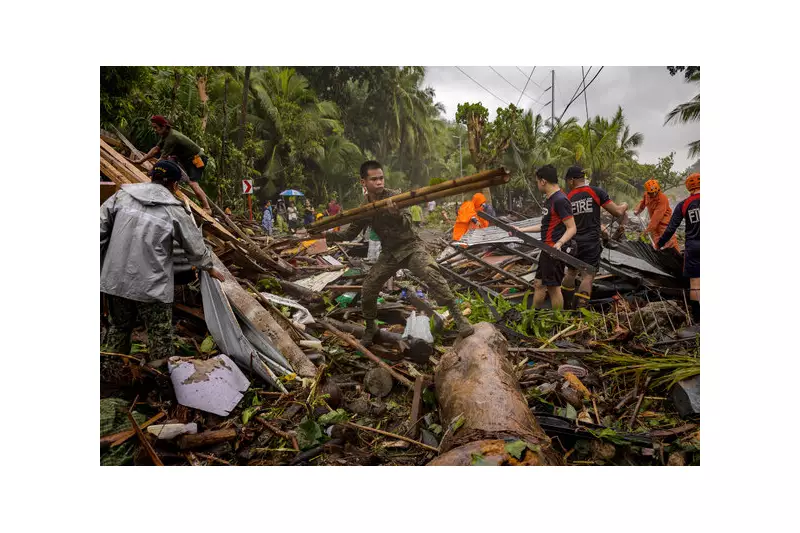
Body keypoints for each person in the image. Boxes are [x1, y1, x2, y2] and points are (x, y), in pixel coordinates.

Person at [324, 160, 475, 344]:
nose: (379, 182)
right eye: (374, 179)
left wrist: (396, 214)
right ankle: (371, 327)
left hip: (411, 247)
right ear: (363, 182)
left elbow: (408, 222)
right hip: (389, 253)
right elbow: (349, 233)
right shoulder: (364, 209)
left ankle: (459, 319)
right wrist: (325, 236)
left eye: (381, 178)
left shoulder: (396, 197)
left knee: (431, 273)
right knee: (369, 288)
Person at [101, 160, 225, 361]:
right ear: (175, 185)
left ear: (151, 177)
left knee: (119, 328)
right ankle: (161, 381)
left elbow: (99, 229)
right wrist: (209, 267)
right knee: (159, 334)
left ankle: (114, 376)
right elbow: (193, 243)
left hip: (115, 280)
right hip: (152, 285)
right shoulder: (173, 208)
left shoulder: (122, 196)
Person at [561, 166, 628, 309]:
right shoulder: (596, 192)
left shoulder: (567, 198)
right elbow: (616, 212)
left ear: (572, 180)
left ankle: (566, 307)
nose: (567, 184)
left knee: (571, 272)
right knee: (588, 275)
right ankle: (580, 311)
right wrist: (624, 205)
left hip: (572, 242)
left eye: (568, 181)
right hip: (590, 242)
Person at [518, 165, 577, 310]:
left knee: (553, 288)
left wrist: (560, 243)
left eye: (537, 181)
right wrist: (521, 230)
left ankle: (558, 321)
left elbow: (572, 227)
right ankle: (532, 314)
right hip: (546, 249)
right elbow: (545, 225)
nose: (537, 185)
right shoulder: (549, 200)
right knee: (538, 284)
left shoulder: (560, 200)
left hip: (554, 250)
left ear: (543, 181)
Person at [133, 115, 212, 213]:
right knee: (170, 165)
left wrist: (153, 171)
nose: (154, 130)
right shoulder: (166, 135)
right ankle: (172, 190)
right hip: (185, 159)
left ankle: (207, 208)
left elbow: (162, 158)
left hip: (196, 158)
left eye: (156, 127)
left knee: (192, 182)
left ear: (164, 127)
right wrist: (141, 161)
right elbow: (156, 149)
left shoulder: (172, 138)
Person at [657, 173, 700, 325]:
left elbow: (671, 229)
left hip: (693, 247)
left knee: (695, 283)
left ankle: (697, 321)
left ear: (688, 187)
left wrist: (659, 243)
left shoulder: (684, 204)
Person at [634, 179, 679, 251]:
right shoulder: (646, 195)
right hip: (654, 227)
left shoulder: (662, 199)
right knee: (657, 245)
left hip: (664, 225)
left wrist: (646, 231)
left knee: (670, 245)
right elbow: (642, 204)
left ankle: (678, 259)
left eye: (655, 192)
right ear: (648, 192)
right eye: (651, 193)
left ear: (658, 190)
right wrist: (637, 211)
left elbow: (656, 219)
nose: (654, 194)